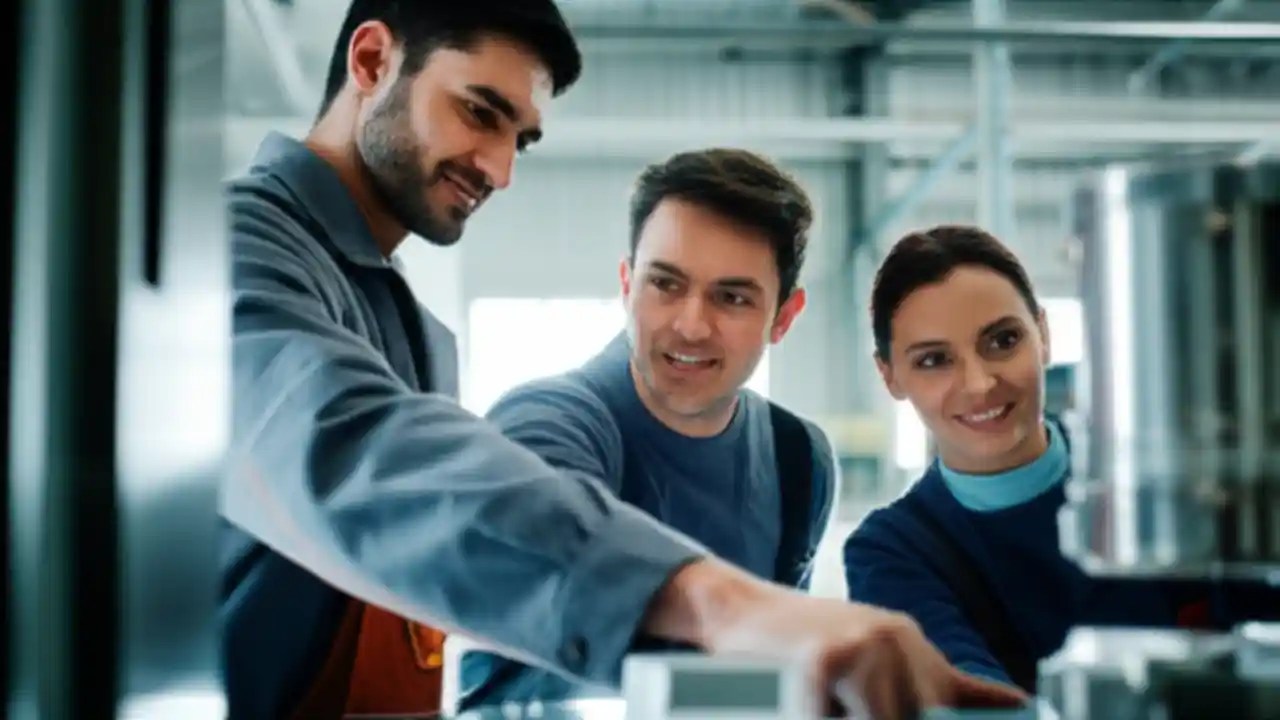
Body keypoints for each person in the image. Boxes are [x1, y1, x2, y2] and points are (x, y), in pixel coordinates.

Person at [220, 1, 1029, 717]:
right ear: (371, 61)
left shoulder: (413, 328)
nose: (499, 170)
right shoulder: (227, 252)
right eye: (479, 111)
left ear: (784, 318)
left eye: (519, 139)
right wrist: (725, 608)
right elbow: (357, 452)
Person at [457, 148, 839, 709]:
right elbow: (565, 561)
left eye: (731, 297)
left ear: (783, 317)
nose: (690, 325)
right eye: (666, 284)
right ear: (626, 283)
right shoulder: (544, 422)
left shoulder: (798, 459)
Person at [842, 225, 1280, 692]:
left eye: (1003, 341)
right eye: (933, 360)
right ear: (889, 376)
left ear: (1043, 335)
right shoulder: (891, 553)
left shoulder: (1162, 477)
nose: (979, 384)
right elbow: (963, 702)